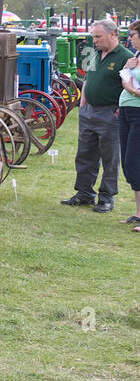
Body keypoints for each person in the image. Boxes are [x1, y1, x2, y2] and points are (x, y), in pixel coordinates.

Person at [62, 19, 131, 214]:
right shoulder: (93, 54)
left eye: (98, 37)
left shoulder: (126, 57)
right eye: (94, 37)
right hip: (89, 112)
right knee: (84, 155)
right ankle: (84, 193)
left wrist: (118, 110)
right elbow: (87, 79)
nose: (95, 41)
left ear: (112, 35)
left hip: (110, 113)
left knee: (110, 158)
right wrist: (83, 101)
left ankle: (107, 198)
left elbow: (131, 84)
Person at [117, 21, 140, 229]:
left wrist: (131, 90)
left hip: (138, 112)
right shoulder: (136, 57)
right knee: (128, 162)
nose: (130, 38)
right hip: (126, 110)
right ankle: (138, 213)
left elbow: (131, 85)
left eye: (132, 34)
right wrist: (126, 68)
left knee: (134, 160)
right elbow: (125, 78)